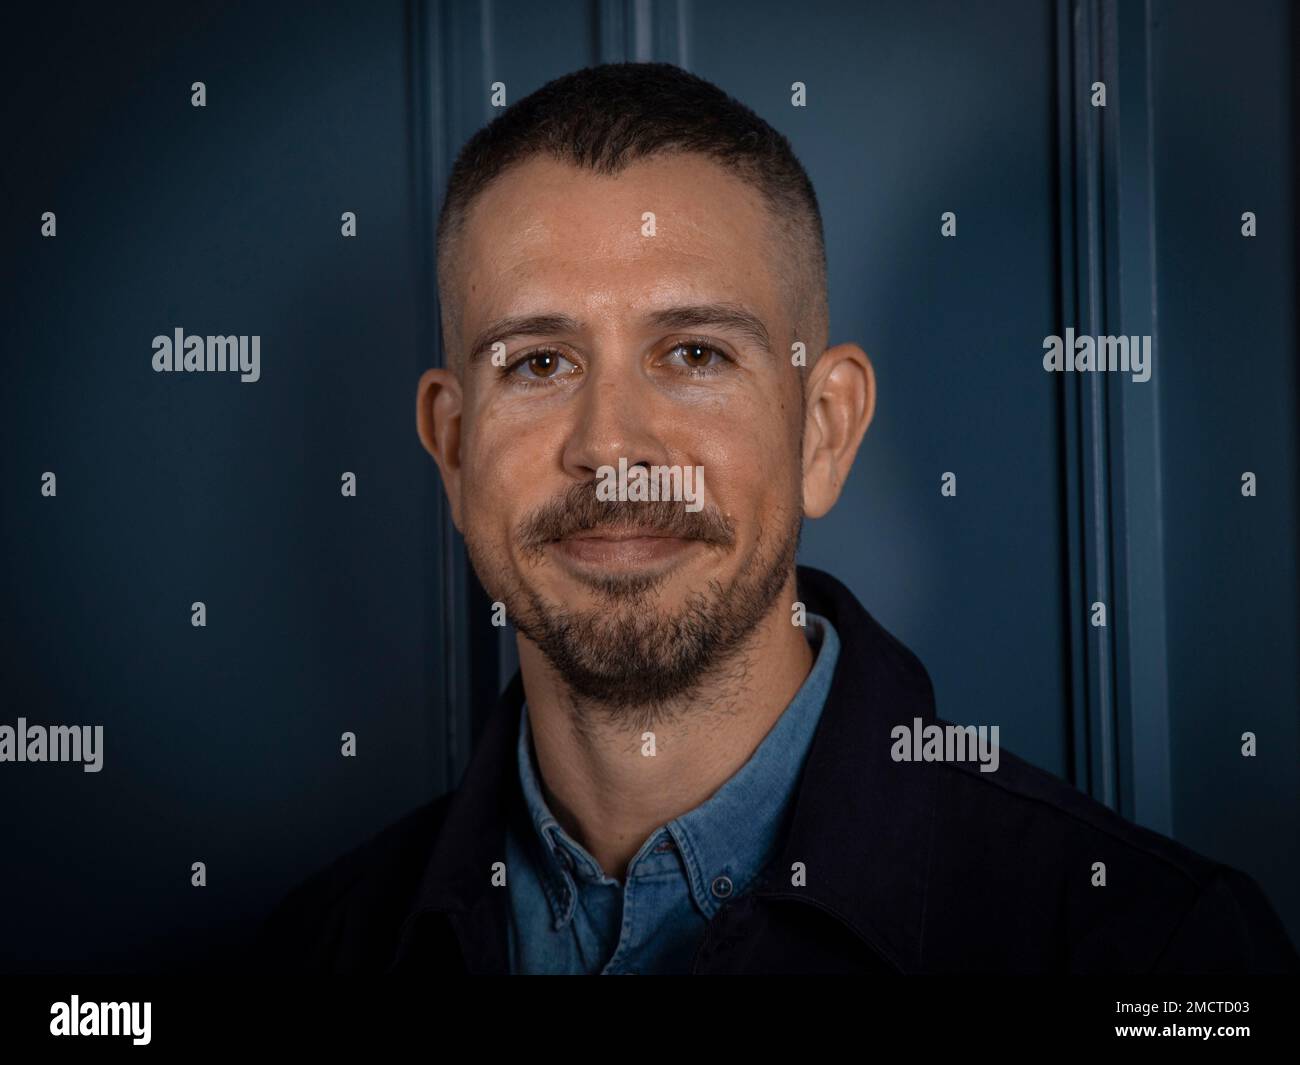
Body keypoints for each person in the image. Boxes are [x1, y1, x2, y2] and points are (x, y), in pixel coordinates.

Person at [252, 62, 1299, 974]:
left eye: (695, 354)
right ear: (451, 444)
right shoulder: (310, 955)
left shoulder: (1149, 948)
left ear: (823, 432)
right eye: (539, 363)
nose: (613, 446)